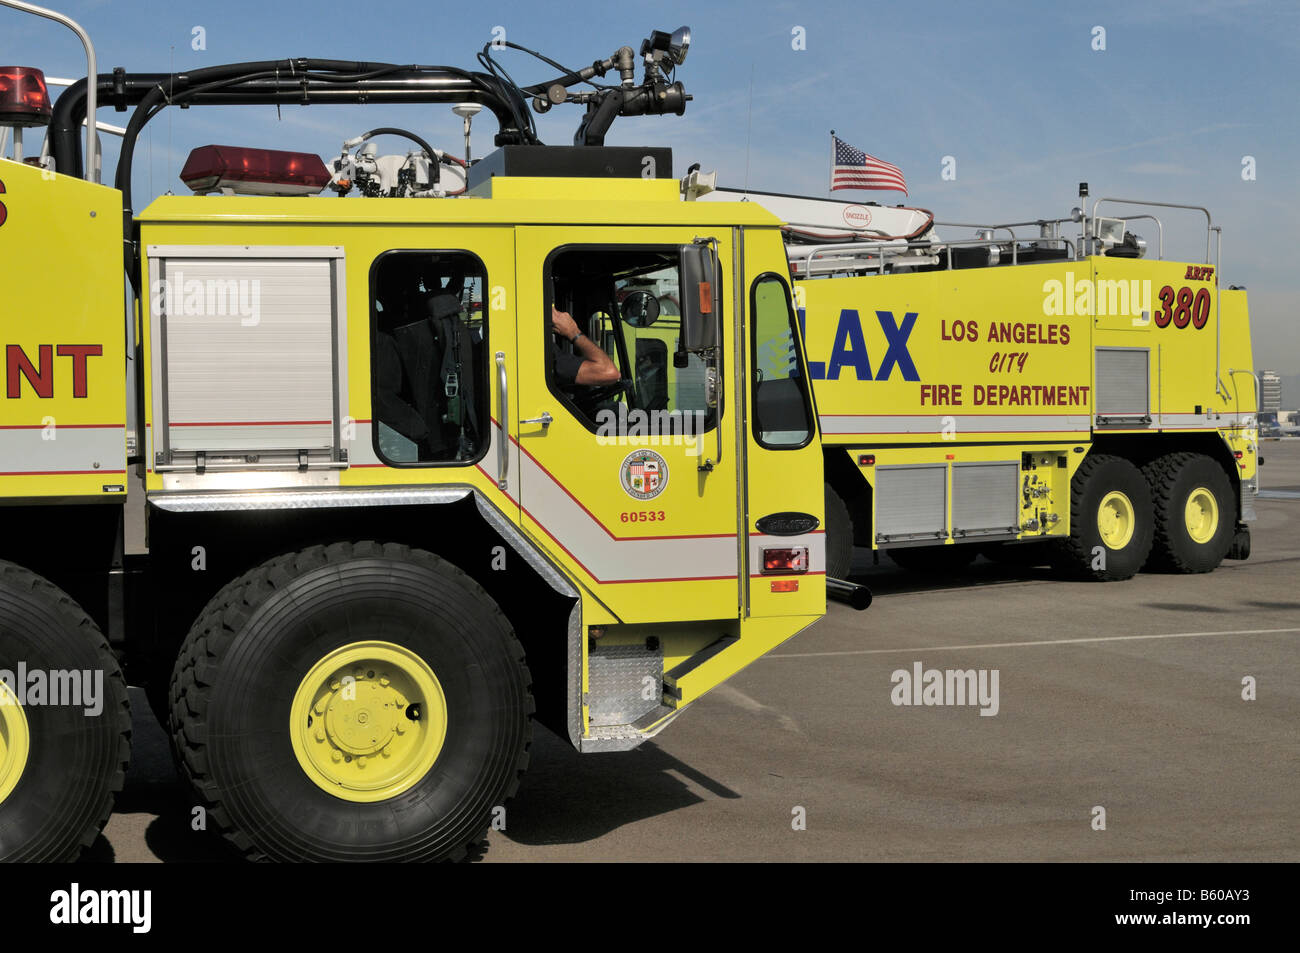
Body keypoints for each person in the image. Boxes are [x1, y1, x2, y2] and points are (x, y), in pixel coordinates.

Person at [549, 305, 620, 387]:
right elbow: (609, 372)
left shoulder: (546, 352)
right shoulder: (547, 353)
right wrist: (573, 332)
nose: (564, 314)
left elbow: (609, 373)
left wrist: (573, 331)